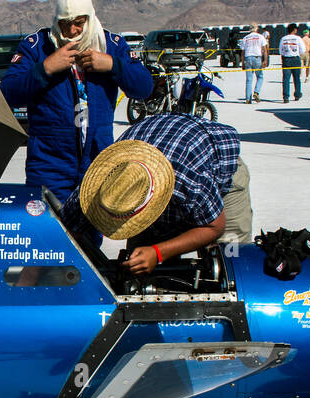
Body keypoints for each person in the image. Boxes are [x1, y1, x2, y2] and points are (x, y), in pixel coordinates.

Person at [0, 0, 154, 206]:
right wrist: (45, 68)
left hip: (97, 163)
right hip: (49, 165)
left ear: (90, 19)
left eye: (79, 23)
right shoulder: (37, 45)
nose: (71, 30)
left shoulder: (112, 44)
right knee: (49, 237)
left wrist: (112, 65)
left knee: (90, 238)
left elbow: (144, 87)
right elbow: (8, 92)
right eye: (64, 23)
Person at [63, 111, 251, 277]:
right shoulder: (99, 187)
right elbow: (67, 233)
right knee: (138, 264)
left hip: (218, 165)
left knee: (231, 260)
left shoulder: (188, 181)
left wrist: (158, 252)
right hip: (165, 143)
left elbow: (214, 227)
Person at [239, 25, 267, 103]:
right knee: (260, 77)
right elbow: (265, 50)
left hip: (247, 58)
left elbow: (243, 52)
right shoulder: (260, 37)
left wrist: (243, 63)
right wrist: (265, 60)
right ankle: (256, 92)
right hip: (257, 57)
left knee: (249, 80)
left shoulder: (246, 38)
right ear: (256, 29)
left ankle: (248, 99)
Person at [278, 23, 305, 103]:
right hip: (295, 59)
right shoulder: (298, 38)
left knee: (286, 79)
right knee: (296, 78)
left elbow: (280, 51)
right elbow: (302, 50)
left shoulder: (283, 38)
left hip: (286, 59)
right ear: (294, 30)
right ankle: (297, 94)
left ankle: (286, 97)